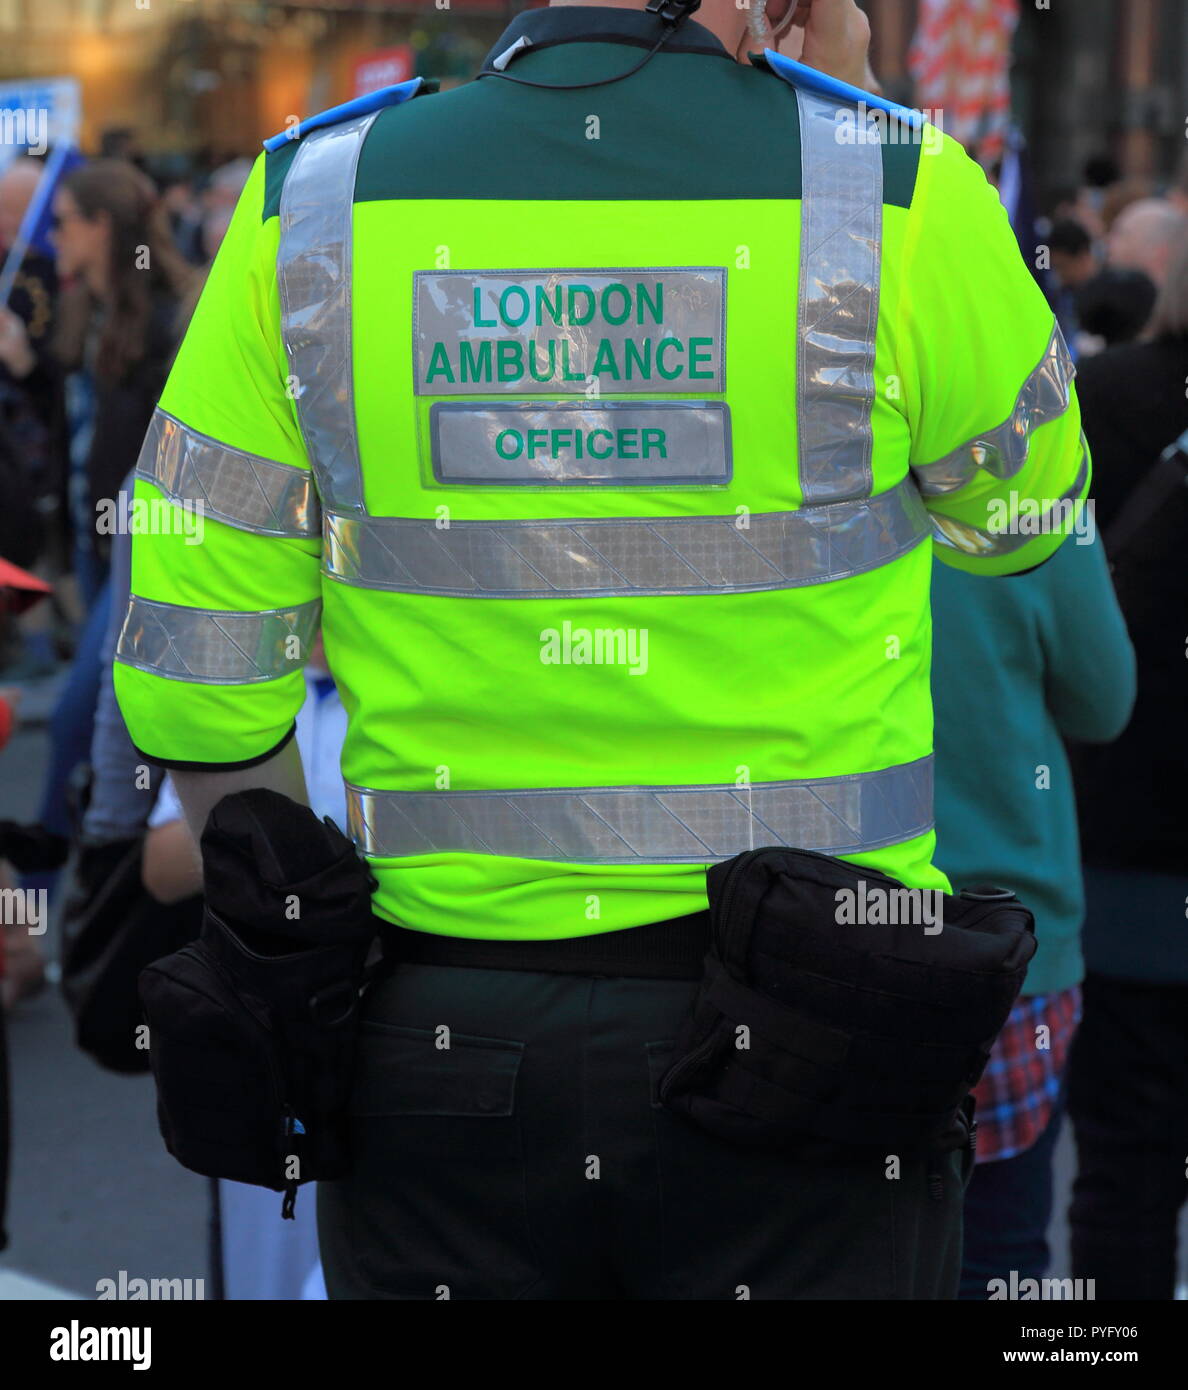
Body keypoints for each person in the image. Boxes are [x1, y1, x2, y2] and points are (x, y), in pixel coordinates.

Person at [114, 0, 1089, 1300]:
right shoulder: (894, 188)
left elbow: (194, 677)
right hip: (822, 1028)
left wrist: (303, 930)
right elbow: (1022, 518)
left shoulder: (319, 200)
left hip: (444, 1028)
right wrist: (865, 119)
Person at [930, 534, 1134, 1301]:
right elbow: (1104, 699)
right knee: (999, 1257)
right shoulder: (1028, 477)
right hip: (1008, 939)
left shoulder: (803, 460)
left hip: (821, 927)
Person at [1065, 231, 1188, 1301]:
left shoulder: (1102, 398)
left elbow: (1076, 614)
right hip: (1134, 844)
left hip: (1129, 830)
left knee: (1125, 1162)